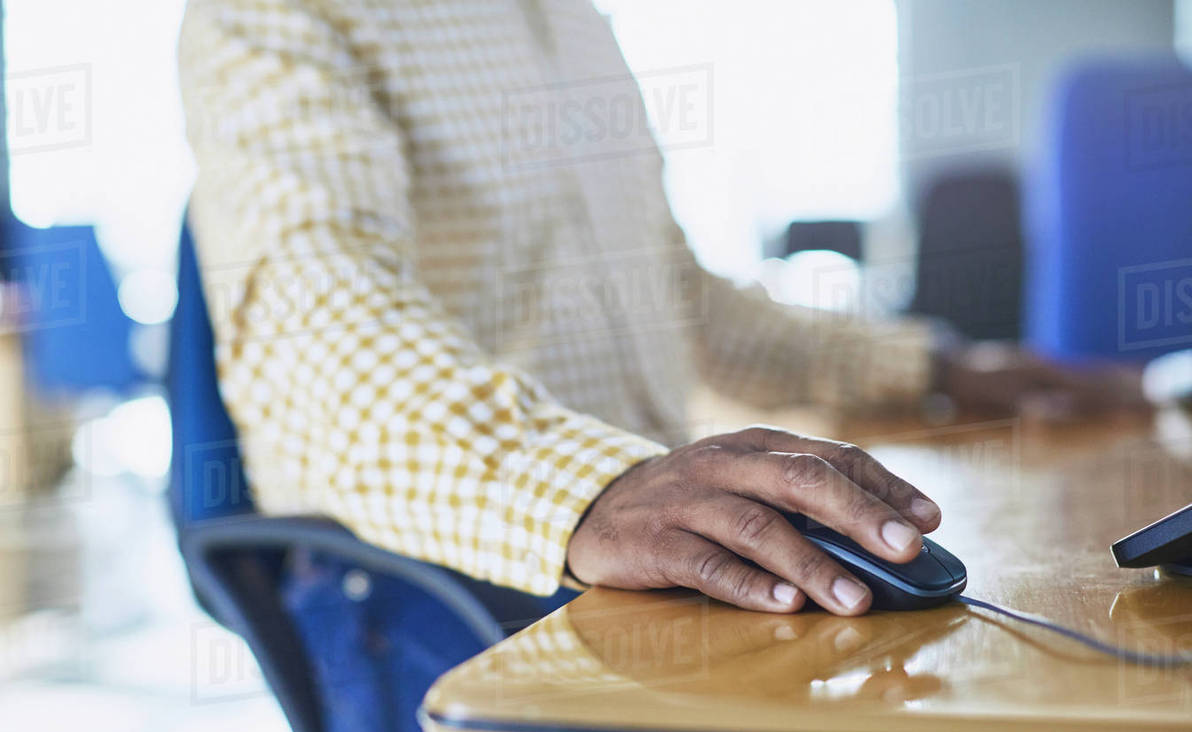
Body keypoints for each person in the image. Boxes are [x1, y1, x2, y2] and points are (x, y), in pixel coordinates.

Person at [178, 0, 1144, 618]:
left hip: (636, 547)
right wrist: (587, 489)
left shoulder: (571, 24)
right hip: (436, 577)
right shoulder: (274, 18)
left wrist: (933, 367)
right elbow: (313, 337)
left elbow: (686, 300)